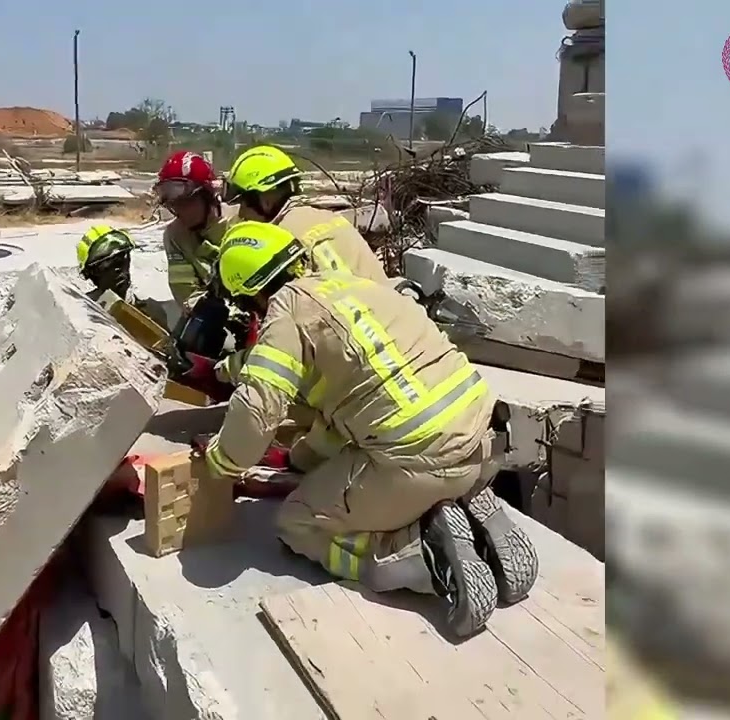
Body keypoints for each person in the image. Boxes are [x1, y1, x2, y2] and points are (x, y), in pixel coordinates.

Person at [200, 221, 538, 639]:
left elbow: (255, 415)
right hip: (484, 439)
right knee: (386, 455)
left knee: (296, 522)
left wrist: (222, 460)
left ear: (246, 290)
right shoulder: (352, 286)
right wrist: (297, 457)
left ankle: (415, 553)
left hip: (421, 464)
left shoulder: (286, 315)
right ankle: (469, 505)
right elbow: (346, 415)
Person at [223, 145, 390, 285]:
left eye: (244, 202)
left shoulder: (281, 243)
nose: (242, 213)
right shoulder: (328, 216)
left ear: (267, 199)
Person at [154, 150, 238, 307]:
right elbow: (186, 293)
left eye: (186, 203)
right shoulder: (175, 236)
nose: (179, 211)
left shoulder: (240, 221)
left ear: (207, 196)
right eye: (173, 205)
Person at [76, 224, 138, 301]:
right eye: (107, 263)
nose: (118, 269)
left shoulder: (151, 308)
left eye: (121, 257)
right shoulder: (83, 308)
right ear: (91, 273)